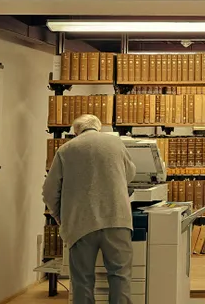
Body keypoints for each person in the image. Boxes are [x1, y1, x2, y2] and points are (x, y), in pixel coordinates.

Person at [43, 114, 136, 304]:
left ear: (76, 131)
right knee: (120, 276)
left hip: (80, 224)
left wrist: (61, 217)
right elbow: (130, 173)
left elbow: (49, 191)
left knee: (82, 281)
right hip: (116, 219)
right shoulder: (115, 143)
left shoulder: (65, 150)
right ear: (98, 127)